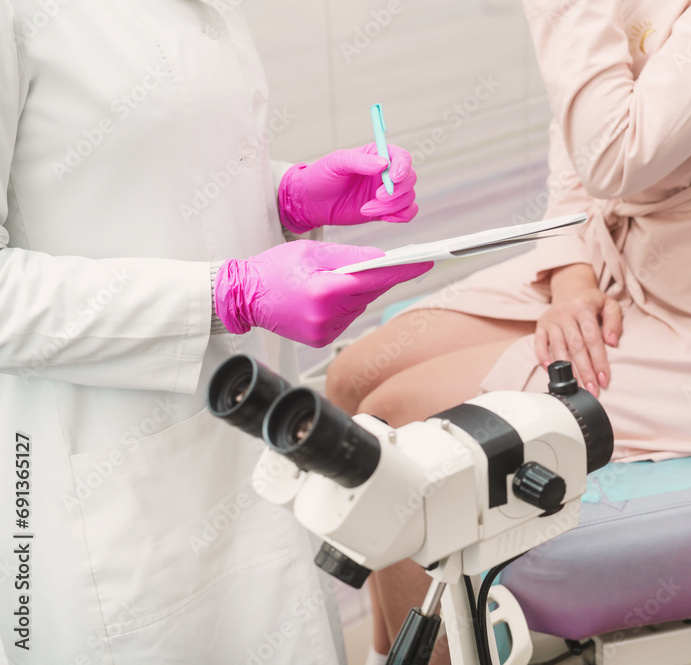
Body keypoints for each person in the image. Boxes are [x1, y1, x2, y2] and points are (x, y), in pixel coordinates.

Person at [325, 0, 691, 662]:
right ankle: (387, 652)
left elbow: (616, 151)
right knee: (353, 380)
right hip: (610, 256)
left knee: (404, 433)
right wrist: (571, 274)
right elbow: (582, 118)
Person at [0, 2, 428, 663]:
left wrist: (284, 197)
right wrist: (223, 294)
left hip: (246, 453)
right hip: (109, 492)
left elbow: (152, 175)